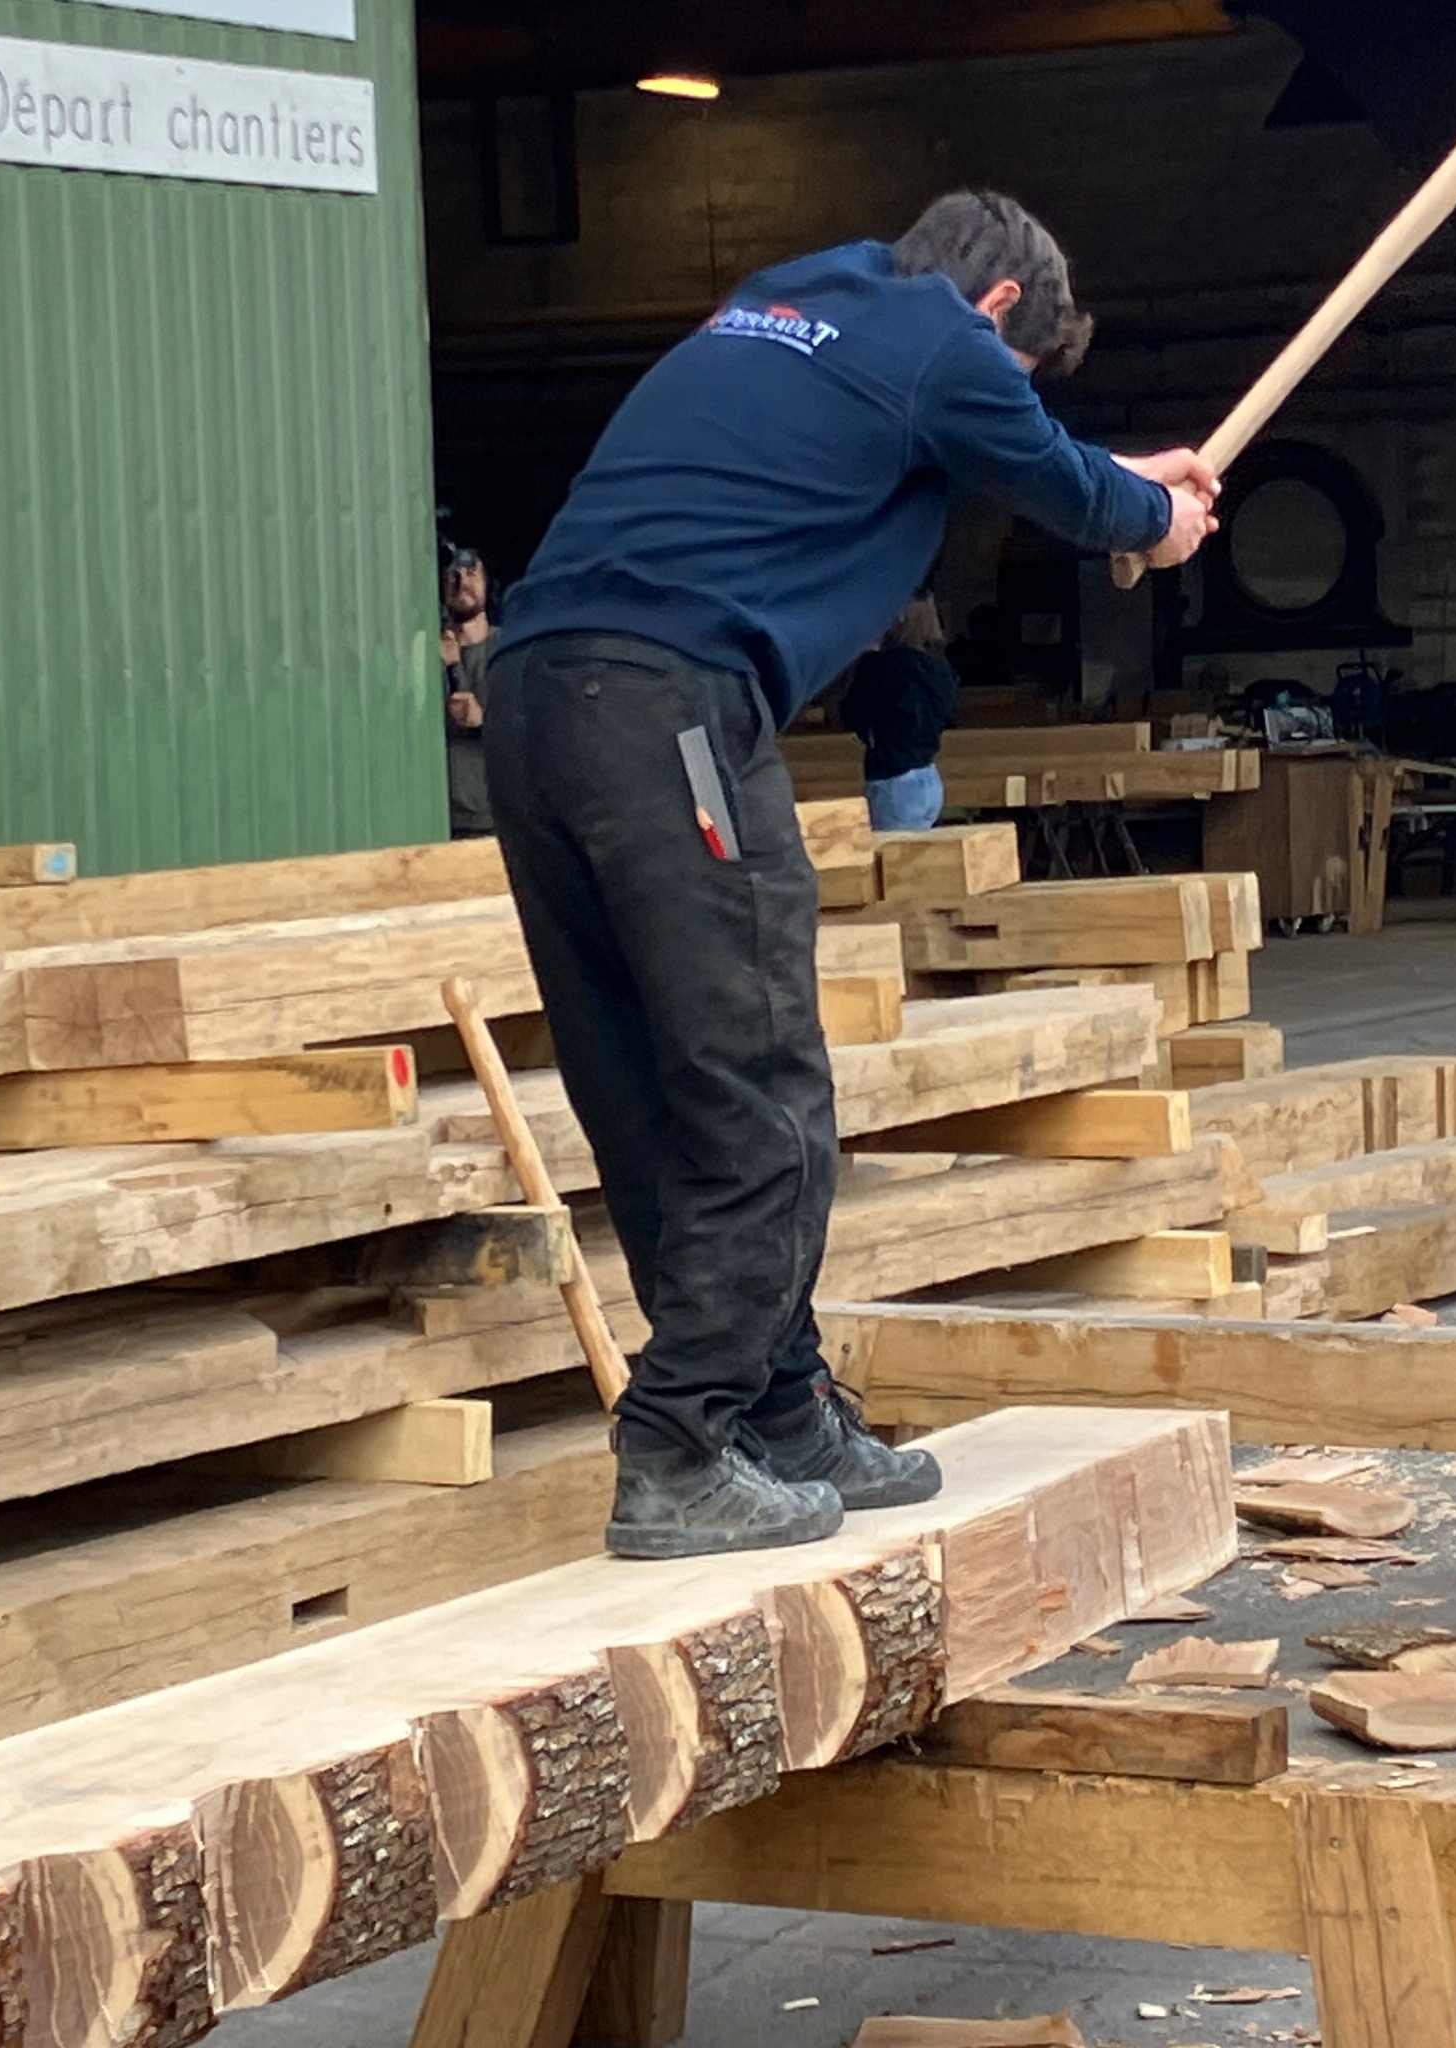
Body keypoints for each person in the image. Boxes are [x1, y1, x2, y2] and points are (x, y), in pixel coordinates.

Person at [483, 191, 1218, 1559]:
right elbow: (1059, 483)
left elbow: (1011, 451)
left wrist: (1122, 478)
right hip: (671, 702)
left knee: (642, 1084)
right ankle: (680, 1439)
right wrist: (1151, 518)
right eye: (1020, 371)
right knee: (761, 1083)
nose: (1006, 391)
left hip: (535, 700)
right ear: (1000, 307)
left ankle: (774, 1408)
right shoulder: (947, 340)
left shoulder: (796, 299)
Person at [843, 595, 959, 831]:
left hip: (893, 776)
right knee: (918, 851)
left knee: (889, 851)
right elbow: (949, 712)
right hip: (928, 775)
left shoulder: (883, 667)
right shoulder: (940, 667)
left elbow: (852, 713)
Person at [442, 548, 496, 837]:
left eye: (472, 574)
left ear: (487, 584)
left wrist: (482, 720)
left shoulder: (506, 650)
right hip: (440, 816)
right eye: (454, 576)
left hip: (492, 817)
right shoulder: (424, 652)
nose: (463, 583)